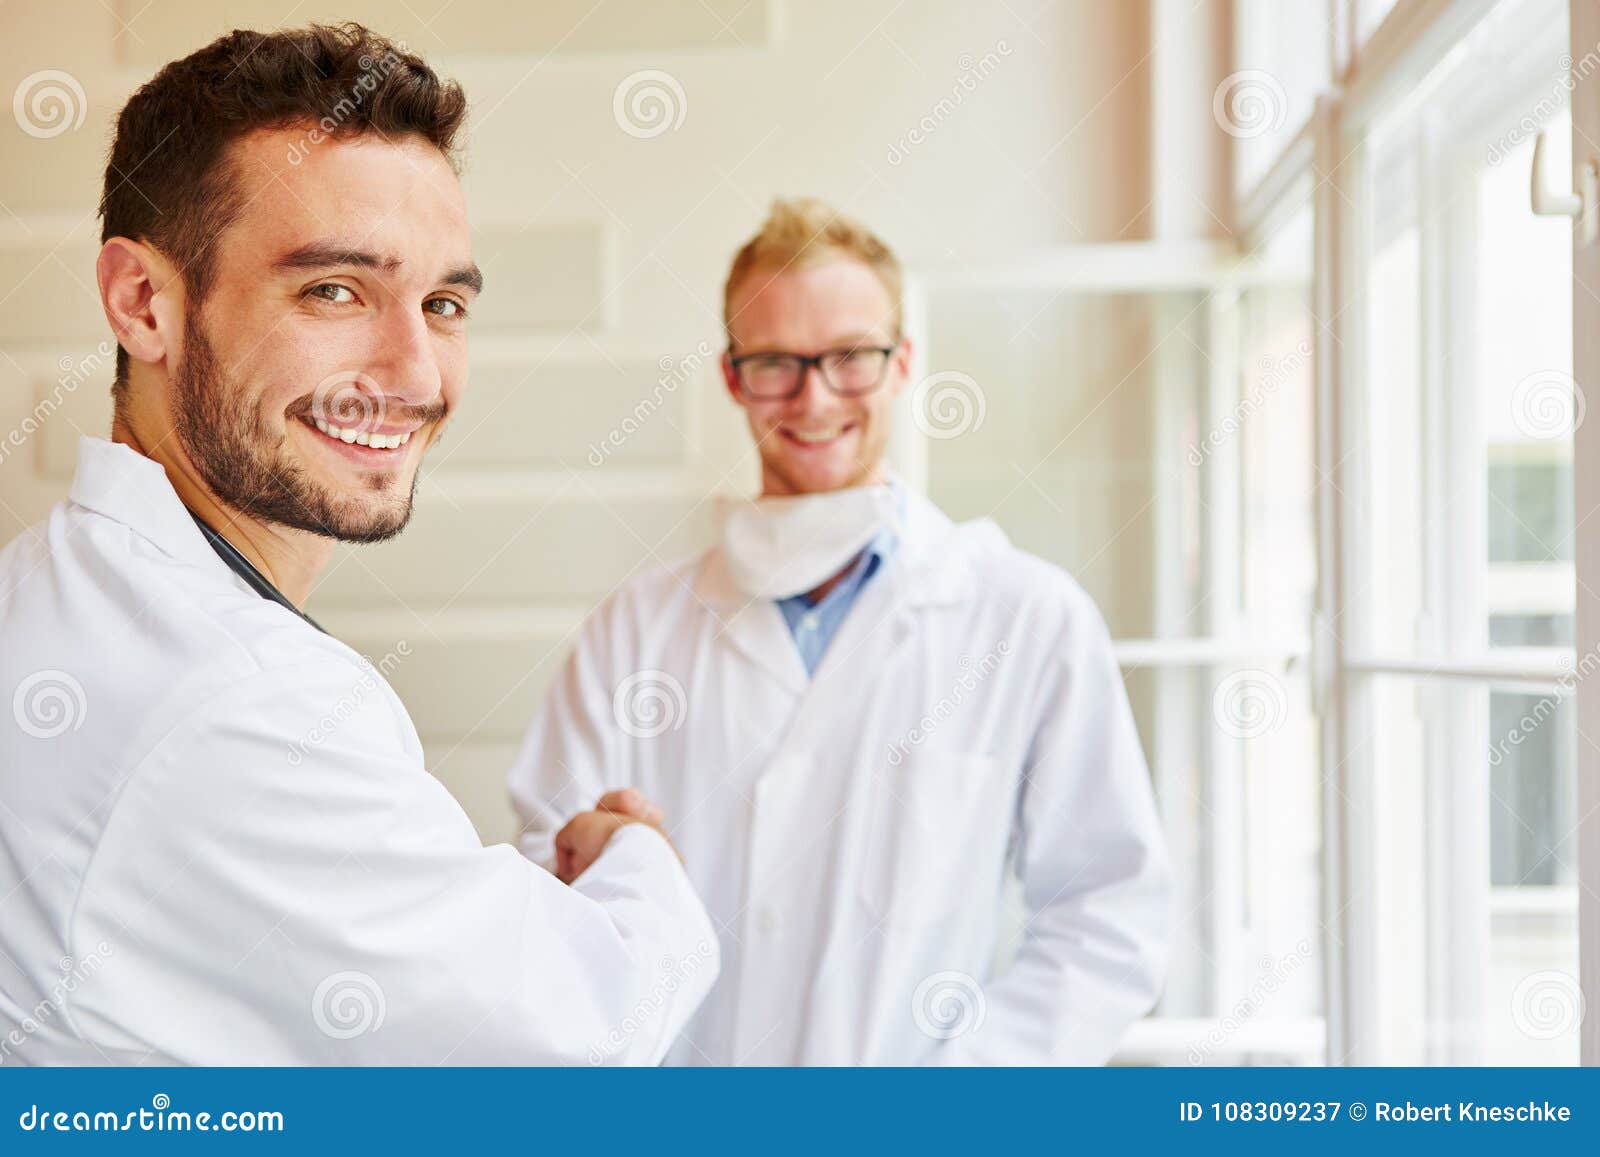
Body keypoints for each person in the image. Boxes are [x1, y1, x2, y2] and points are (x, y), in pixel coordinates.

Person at [0, 23, 715, 1065]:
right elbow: (579, 1046)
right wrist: (633, 862)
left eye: (443, 302)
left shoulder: (48, 587)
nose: (415, 371)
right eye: (334, 290)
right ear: (144, 301)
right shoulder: (242, 700)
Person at [510, 197, 1172, 1065]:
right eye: (777, 361)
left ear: (901, 365)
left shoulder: (1027, 620)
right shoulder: (633, 633)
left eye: (851, 357)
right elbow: (547, 893)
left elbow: (1107, 911)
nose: (815, 396)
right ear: (733, 377)